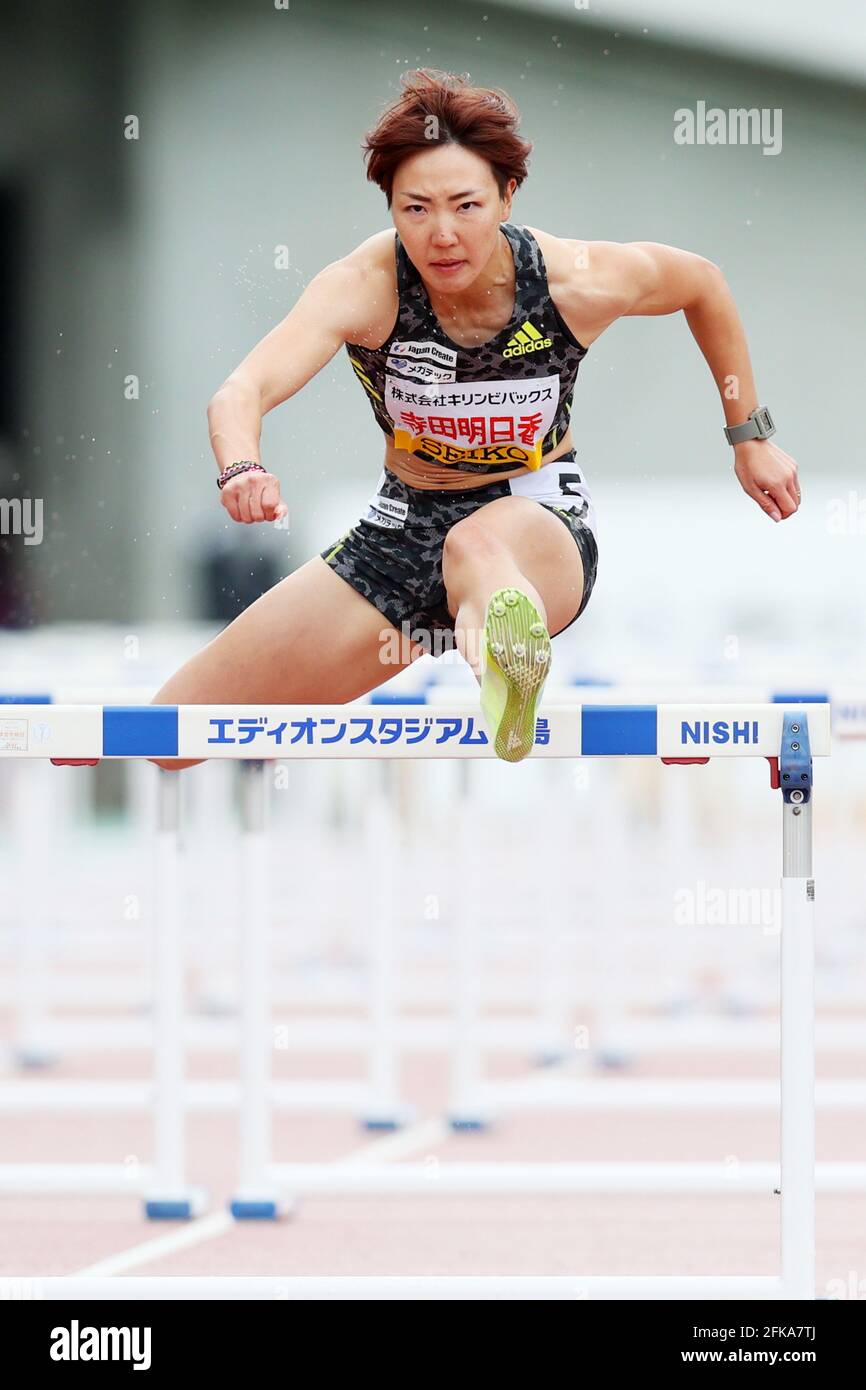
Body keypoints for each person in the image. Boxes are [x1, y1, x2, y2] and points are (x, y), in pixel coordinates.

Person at [54, 68, 800, 772]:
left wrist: (751, 437)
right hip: (398, 531)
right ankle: (492, 645)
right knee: (173, 733)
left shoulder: (573, 281)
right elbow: (239, 392)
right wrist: (242, 465)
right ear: (390, 209)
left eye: (466, 206)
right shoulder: (363, 288)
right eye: (416, 209)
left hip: (534, 517)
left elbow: (702, 284)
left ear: (508, 197)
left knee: (476, 548)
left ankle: (506, 667)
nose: (441, 235)